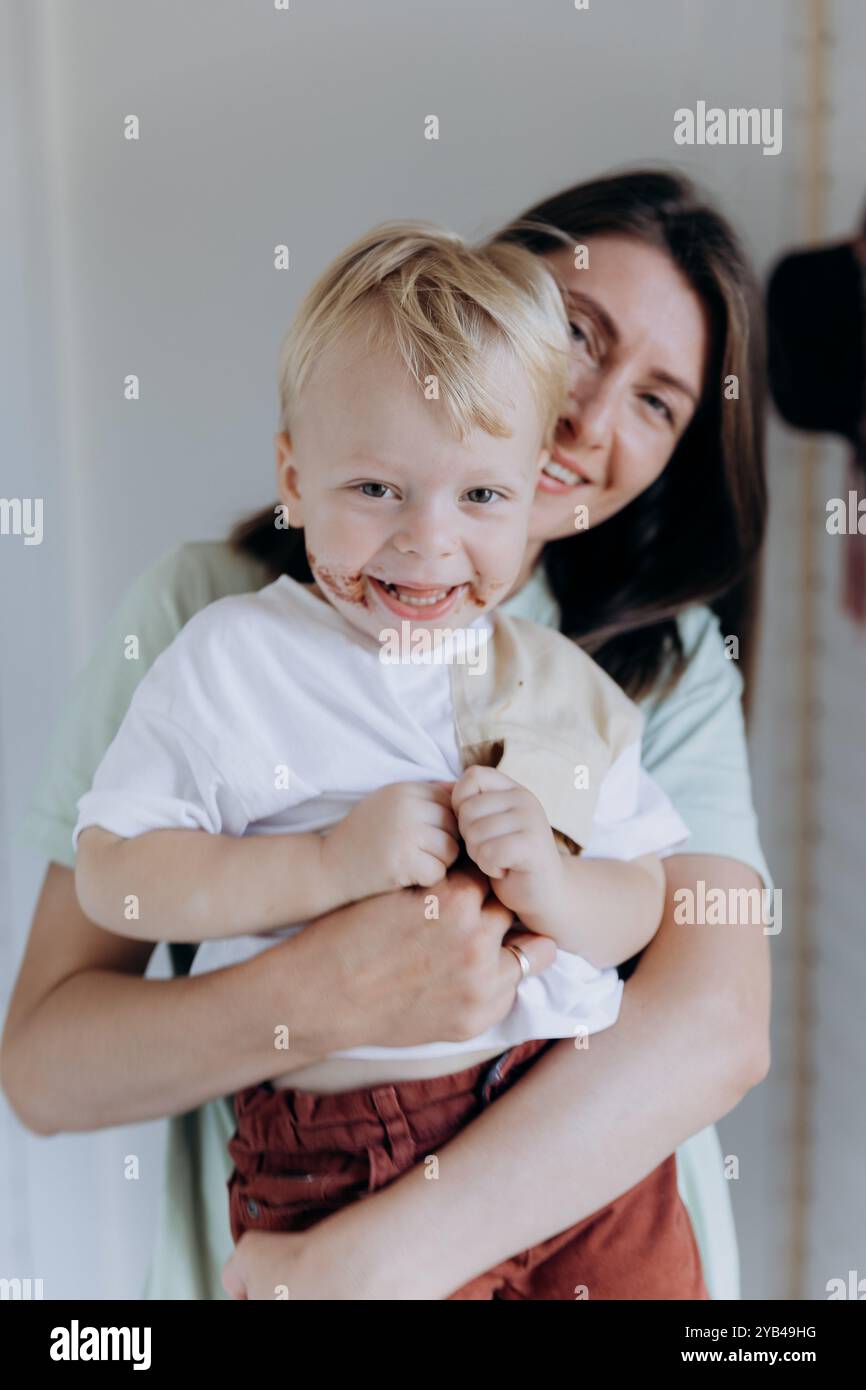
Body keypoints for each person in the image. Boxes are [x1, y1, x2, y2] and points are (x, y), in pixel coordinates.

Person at [2, 170, 771, 1301]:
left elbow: (713, 1024)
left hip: (587, 1213)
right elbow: (46, 1071)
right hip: (319, 1166)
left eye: (657, 400)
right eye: (573, 334)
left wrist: (363, 1262)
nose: (587, 412)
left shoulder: (637, 670)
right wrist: (326, 987)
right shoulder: (212, 630)